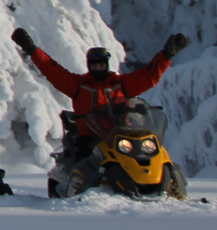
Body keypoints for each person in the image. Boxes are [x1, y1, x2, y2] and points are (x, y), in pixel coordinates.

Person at [12, 28, 189, 163]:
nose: (98, 68)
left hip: (121, 134)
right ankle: (85, 188)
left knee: (149, 154)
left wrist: (166, 56)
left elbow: (147, 76)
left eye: (101, 65)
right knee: (90, 158)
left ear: (107, 65)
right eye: (95, 65)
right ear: (90, 66)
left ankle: (166, 182)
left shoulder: (120, 84)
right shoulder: (79, 85)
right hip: (90, 136)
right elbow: (53, 70)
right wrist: (32, 49)